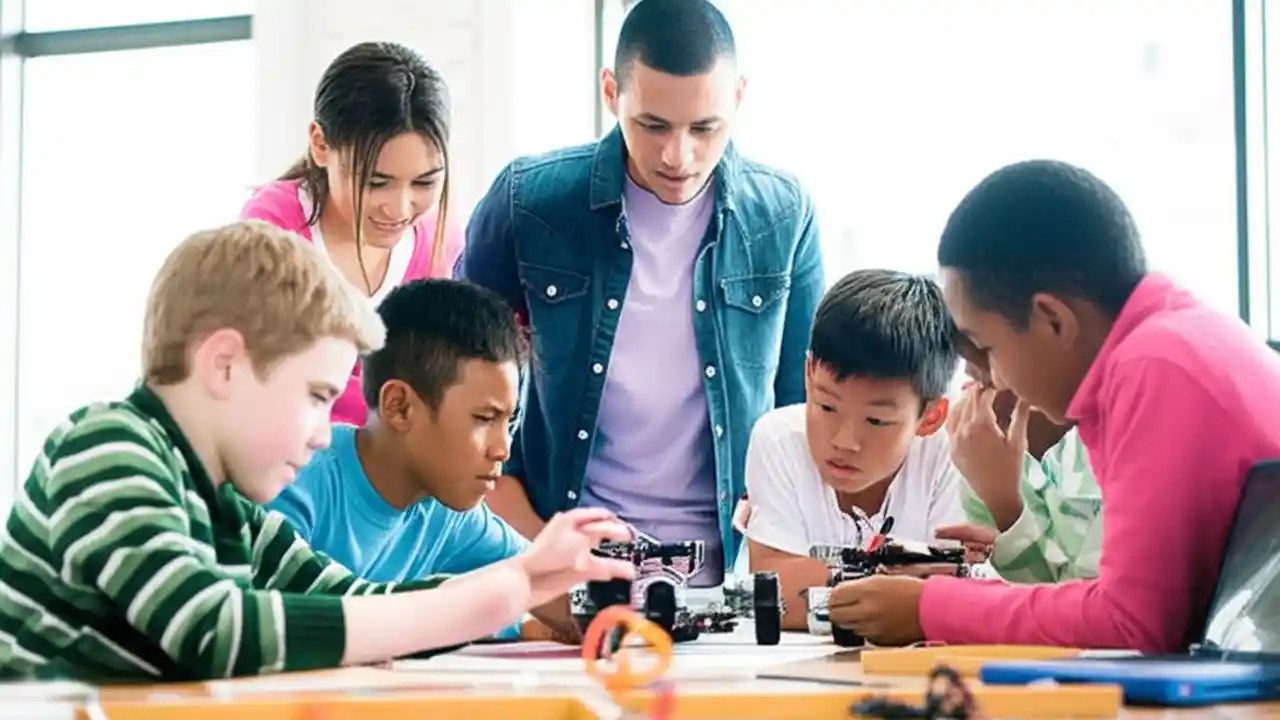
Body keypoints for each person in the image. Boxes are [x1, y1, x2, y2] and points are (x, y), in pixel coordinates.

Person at [0, 221, 632, 681]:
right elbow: (212, 628)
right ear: (224, 366)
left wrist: (523, 582)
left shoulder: (230, 513)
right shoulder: (107, 447)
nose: (324, 432)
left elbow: (353, 600)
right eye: (316, 396)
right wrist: (494, 595)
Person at [829, 159, 1280, 653]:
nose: (993, 378)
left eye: (988, 348)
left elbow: (1133, 625)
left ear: (1052, 320)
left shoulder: (1155, 367)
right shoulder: (1174, 340)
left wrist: (929, 609)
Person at [455, 0, 824, 586]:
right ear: (611, 92)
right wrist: (541, 560)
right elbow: (453, 403)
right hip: (556, 569)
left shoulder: (784, 216)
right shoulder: (530, 203)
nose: (679, 156)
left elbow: (801, 417)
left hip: (729, 581)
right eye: (653, 126)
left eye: (705, 128)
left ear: (738, 98)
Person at [268, 279, 574, 642]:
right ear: (400, 407)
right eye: (484, 418)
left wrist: (603, 609)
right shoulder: (294, 477)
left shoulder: (451, 514)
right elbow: (281, 625)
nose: (503, 449)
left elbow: (550, 589)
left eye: (510, 421)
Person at [241, 41, 464, 426]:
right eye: (376, 183)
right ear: (320, 145)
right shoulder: (273, 230)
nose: (400, 208)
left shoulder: (441, 243)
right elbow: (273, 373)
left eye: (425, 182)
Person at [741, 270, 964, 630]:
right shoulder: (778, 440)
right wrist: (901, 591)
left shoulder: (953, 454)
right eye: (827, 407)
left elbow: (954, 592)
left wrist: (822, 583)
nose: (845, 441)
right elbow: (774, 591)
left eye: (876, 421)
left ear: (930, 416)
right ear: (809, 374)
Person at [936, 335, 1102, 583]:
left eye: (987, 348)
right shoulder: (978, 447)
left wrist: (1006, 511)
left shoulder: (1119, 442)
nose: (971, 371)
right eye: (966, 357)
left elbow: (1091, 598)